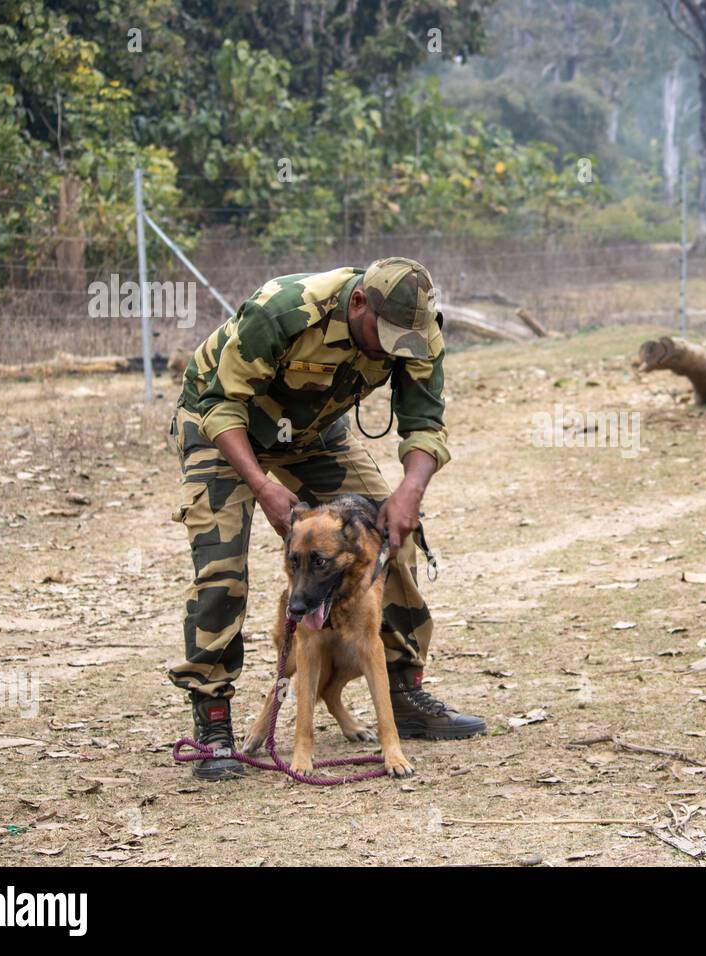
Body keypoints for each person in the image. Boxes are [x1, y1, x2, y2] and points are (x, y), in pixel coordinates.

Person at [168, 257, 485, 780]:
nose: (390, 350)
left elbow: (426, 422)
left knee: (391, 538)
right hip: (221, 427)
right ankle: (214, 720)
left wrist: (410, 489)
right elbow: (221, 405)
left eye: (401, 343)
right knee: (222, 569)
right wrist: (263, 484)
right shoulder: (285, 309)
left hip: (312, 433)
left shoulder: (417, 330)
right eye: (381, 336)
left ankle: (403, 689)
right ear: (358, 302)